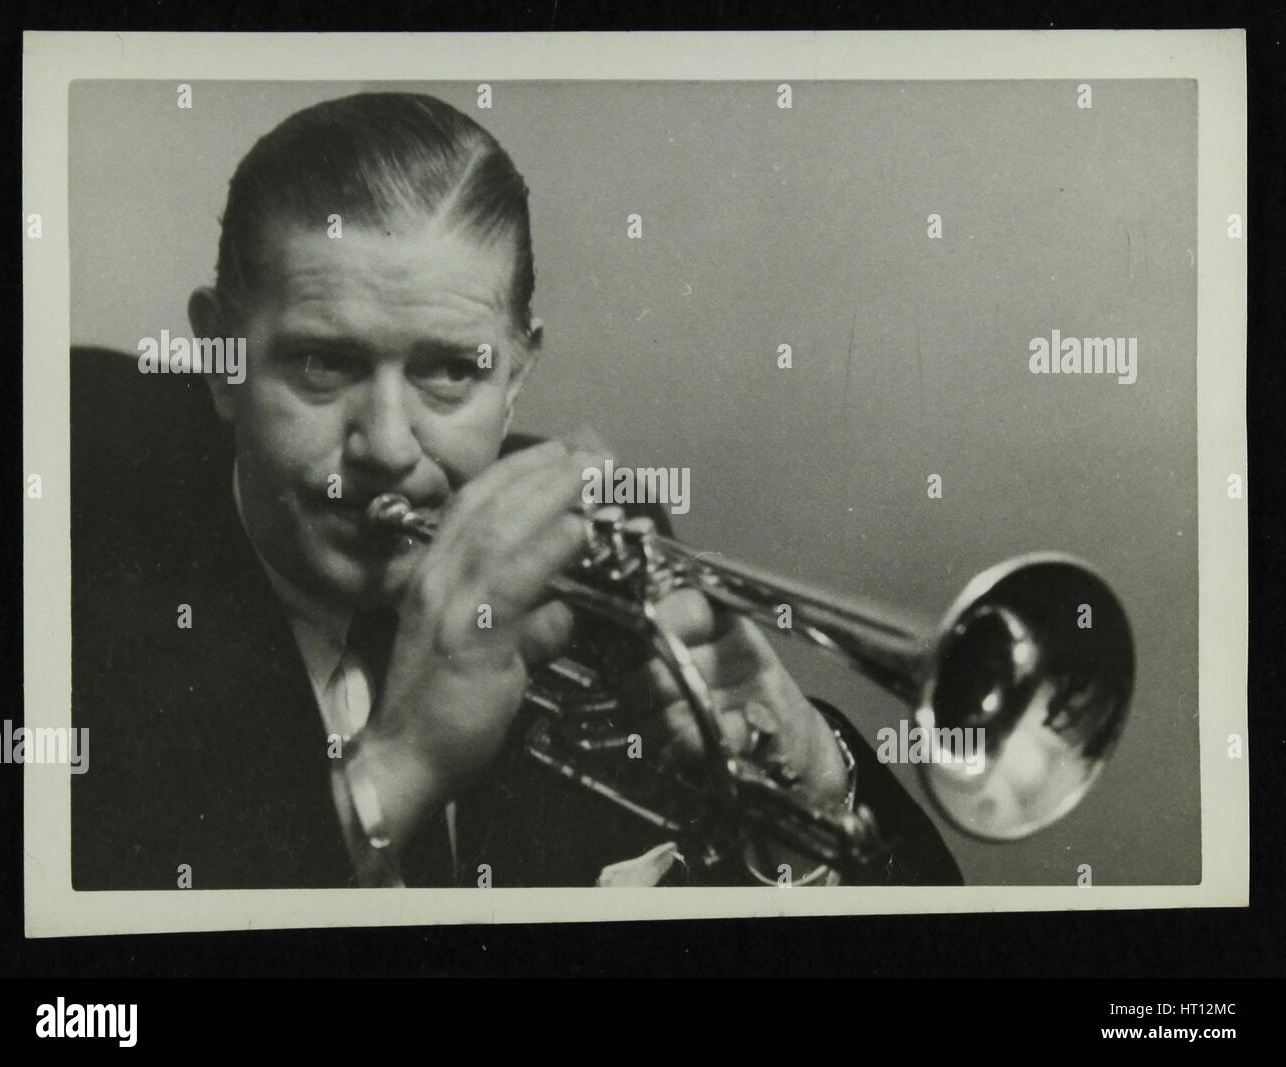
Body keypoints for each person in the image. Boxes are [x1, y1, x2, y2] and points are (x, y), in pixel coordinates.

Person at [71, 92, 961, 890]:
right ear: (220, 361)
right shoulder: (68, 537)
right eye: (323, 362)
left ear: (518, 375)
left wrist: (810, 788)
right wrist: (400, 767)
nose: (385, 445)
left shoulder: (589, 544)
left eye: (451, 370)